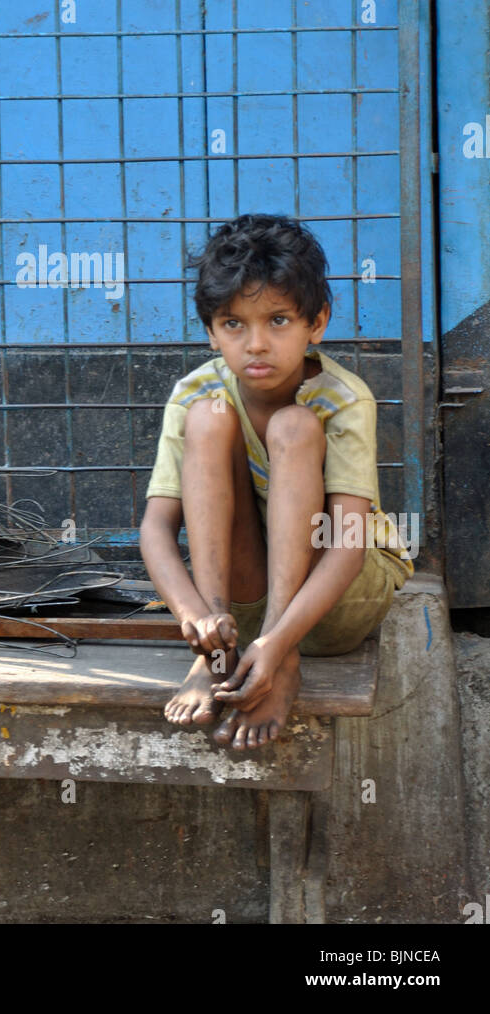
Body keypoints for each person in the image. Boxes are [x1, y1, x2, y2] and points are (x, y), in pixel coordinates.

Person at [139, 213, 415, 751]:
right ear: (211, 333)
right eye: (233, 324)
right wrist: (193, 616)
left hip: (335, 604)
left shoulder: (345, 397)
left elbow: (348, 546)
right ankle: (217, 657)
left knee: (294, 425)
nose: (256, 344)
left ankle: (280, 661)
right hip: (240, 607)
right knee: (209, 415)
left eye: (279, 321)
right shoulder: (195, 391)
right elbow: (155, 528)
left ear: (317, 323)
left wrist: (278, 641)